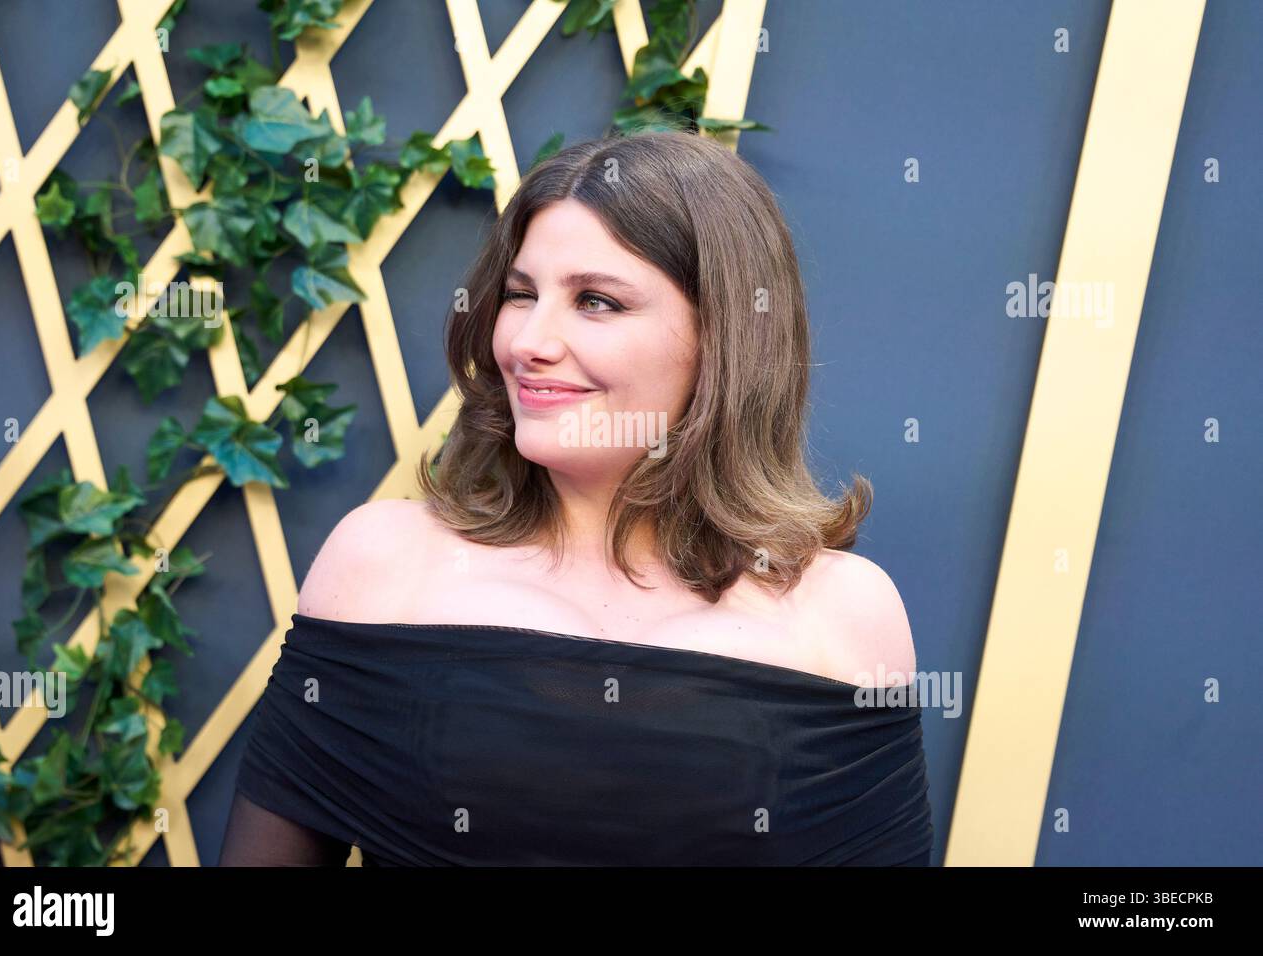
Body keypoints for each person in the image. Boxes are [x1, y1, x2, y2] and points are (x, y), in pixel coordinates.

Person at [218, 129, 935, 866]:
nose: (530, 340)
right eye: (521, 294)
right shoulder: (384, 562)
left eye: (595, 301)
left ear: (723, 338)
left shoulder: (842, 614)